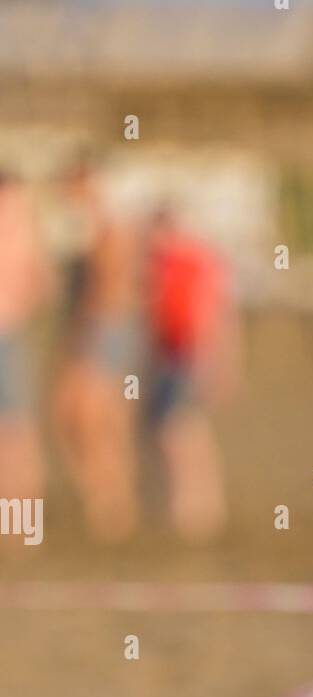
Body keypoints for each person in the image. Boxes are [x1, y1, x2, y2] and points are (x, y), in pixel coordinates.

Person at [51, 156, 143, 541]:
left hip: (103, 331)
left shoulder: (106, 228)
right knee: (92, 419)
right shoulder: (102, 227)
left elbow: (109, 291)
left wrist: (81, 337)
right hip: (107, 331)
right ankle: (108, 502)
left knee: (87, 419)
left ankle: (109, 505)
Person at [142, 206, 238, 542]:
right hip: (175, 355)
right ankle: (193, 506)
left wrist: (214, 360)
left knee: (181, 430)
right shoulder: (165, 264)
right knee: (182, 428)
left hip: (190, 355)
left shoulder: (191, 262)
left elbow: (211, 314)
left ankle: (197, 508)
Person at [0, 172, 53, 501]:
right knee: (16, 425)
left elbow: (42, 282)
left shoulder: (18, 223)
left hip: (9, 330)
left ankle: (22, 519)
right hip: (11, 327)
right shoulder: (25, 224)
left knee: (15, 425)